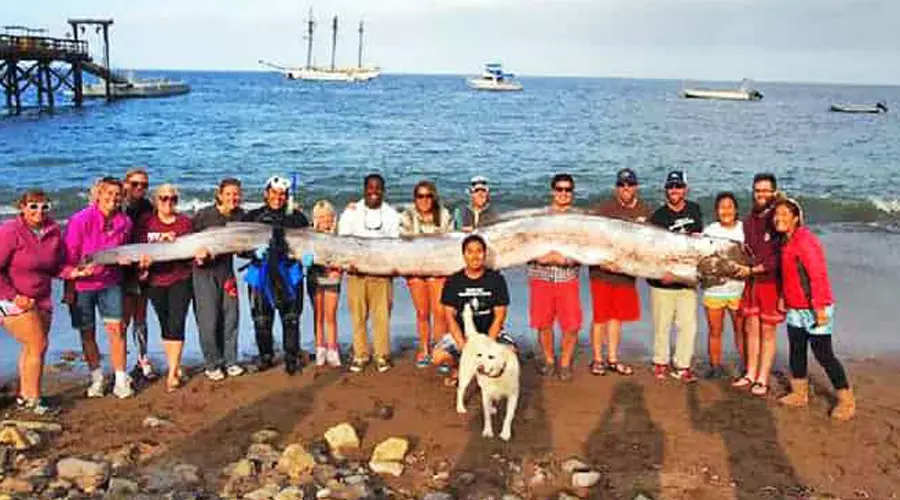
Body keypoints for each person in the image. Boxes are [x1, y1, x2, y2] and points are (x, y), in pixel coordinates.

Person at [772, 198, 855, 420]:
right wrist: (782, 297)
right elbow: (786, 275)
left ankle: (846, 401)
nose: (778, 217)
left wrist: (818, 308)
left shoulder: (805, 241)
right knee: (796, 349)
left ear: (796, 218)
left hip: (815, 306)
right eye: (776, 214)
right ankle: (799, 393)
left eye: (784, 214)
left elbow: (817, 276)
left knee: (823, 354)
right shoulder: (785, 241)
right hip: (795, 308)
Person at [0, 190, 77, 414]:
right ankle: (34, 399)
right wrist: (14, 296)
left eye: (44, 207)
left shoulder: (53, 231)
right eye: (33, 206)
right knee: (38, 344)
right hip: (11, 298)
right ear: (22, 208)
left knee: (33, 347)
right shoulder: (10, 231)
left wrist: (76, 273)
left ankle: (25, 396)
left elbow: (57, 267)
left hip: (41, 298)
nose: (38, 211)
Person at [63, 176, 135, 398]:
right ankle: (97, 378)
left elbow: (123, 251)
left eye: (117, 194)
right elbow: (69, 256)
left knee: (117, 330)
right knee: (87, 333)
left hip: (110, 282)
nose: (113, 198)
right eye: (109, 193)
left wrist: (126, 261)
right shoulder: (80, 219)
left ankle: (121, 380)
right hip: (82, 284)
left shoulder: (125, 222)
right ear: (98, 195)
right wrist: (70, 286)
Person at [242, 176, 310, 375]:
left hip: (289, 273)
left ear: (287, 196)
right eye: (274, 193)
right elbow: (239, 246)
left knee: (291, 318)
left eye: (282, 194)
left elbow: (308, 242)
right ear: (266, 194)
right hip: (260, 273)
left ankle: (291, 356)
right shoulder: (252, 217)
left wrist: (307, 256)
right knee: (261, 319)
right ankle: (265, 356)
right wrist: (251, 253)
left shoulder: (297, 217)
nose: (278, 198)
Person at [587, 168, 652, 376]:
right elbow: (591, 237)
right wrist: (603, 261)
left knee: (616, 317)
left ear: (636, 187)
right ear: (617, 188)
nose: (626, 188)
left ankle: (613, 359)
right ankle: (597, 360)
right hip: (602, 271)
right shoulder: (605, 209)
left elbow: (648, 244)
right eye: (622, 185)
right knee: (600, 317)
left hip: (626, 273)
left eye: (630, 184)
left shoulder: (645, 210)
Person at [338, 173, 401, 373]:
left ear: (383, 190)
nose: (374, 191)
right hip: (356, 273)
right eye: (370, 188)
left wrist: (391, 268)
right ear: (364, 189)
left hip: (382, 274)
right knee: (358, 316)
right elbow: (343, 241)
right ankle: (360, 354)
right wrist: (350, 264)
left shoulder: (391, 214)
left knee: (381, 316)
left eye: (378, 188)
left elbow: (395, 244)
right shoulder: (351, 212)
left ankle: (382, 355)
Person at [136, 184, 194, 392]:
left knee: (177, 322)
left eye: (172, 199)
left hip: (181, 278)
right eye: (163, 198)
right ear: (155, 200)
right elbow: (138, 250)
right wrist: (142, 265)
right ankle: (174, 365)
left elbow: (192, 252)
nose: (168, 202)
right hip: (155, 280)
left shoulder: (185, 223)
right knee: (165, 323)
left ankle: (172, 373)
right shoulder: (146, 223)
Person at [647, 170, 702, 384]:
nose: (674, 190)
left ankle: (683, 365)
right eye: (671, 187)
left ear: (685, 189)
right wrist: (663, 273)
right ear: (665, 190)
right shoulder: (657, 216)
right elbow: (652, 250)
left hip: (686, 279)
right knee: (662, 324)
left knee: (688, 325)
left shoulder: (695, 209)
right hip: (663, 280)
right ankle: (660, 361)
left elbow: (697, 244)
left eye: (678, 186)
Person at [434, 234, 511, 385]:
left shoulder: (496, 279)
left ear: (485, 254)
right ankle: (459, 368)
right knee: (438, 356)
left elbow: (500, 317)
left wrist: (488, 346)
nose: (475, 256)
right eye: (470, 252)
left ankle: (485, 370)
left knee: (511, 354)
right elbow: (449, 318)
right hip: (463, 334)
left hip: (490, 333)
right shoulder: (453, 281)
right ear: (464, 255)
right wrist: (463, 346)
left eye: (479, 251)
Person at [731, 173, 783, 396]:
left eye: (766, 190)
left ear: (774, 192)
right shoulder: (749, 219)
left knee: (767, 330)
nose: (761, 194)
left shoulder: (779, 216)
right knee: (751, 327)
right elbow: (747, 250)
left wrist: (754, 269)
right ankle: (750, 373)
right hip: (752, 281)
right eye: (758, 190)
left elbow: (778, 257)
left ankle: (763, 378)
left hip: (771, 281)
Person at [192, 178, 246, 381]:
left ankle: (230, 361)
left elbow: (244, 248)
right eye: (229, 194)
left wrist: (245, 251)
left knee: (231, 316)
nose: (233, 197)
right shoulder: (204, 215)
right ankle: (212, 363)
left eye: (237, 194)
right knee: (209, 320)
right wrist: (198, 256)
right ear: (220, 195)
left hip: (226, 271)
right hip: (204, 273)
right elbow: (187, 242)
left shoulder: (240, 216)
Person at [529, 174, 582, 381]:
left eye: (568, 190)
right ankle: (550, 360)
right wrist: (539, 257)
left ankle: (566, 363)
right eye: (559, 189)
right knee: (543, 323)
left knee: (572, 325)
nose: (563, 193)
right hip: (540, 275)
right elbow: (524, 242)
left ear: (572, 193)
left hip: (567, 277)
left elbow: (586, 247)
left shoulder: (580, 220)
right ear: (553, 191)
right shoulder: (538, 217)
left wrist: (567, 260)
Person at [400, 180, 453, 368]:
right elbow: (402, 243)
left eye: (428, 195)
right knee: (422, 313)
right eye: (420, 196)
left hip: (438, 269)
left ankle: (440, 350)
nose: (424, 200)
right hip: (416, 268)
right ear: (415, 199)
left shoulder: (444, 215)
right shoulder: (407, 215)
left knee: (440, 313)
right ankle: (423, 348)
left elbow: (451, 242)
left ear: (434, 197)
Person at [701, 192, 745, 379]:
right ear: (716, 211)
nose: (725, 211)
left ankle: (747, 365)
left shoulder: (744, 229)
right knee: (715, 331)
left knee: (741, 330)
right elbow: (702, 259)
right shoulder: (710, 230)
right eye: (721, 207)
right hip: (714, 289)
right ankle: (715, 365)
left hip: (739, 290)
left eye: (729, 206)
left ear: (735, 209)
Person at [122, 168, 156, 379]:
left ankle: (142, 358)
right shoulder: (118, 204)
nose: (139, 188)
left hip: (141, 263)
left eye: (144, 185)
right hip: (120, 266)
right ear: (126, 184)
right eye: (135, 184)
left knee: (140, 315)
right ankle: (121, 364)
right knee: (122, 317)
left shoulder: (147, 206)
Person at [307, 200, 342, 368]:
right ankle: (320, 347)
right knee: (318, 315)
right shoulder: (310, 234)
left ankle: (333, 348)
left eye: (328, 216)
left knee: (331, 315)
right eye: (321, 217)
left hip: (333, 278)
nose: (325, 220)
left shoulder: (338, 236)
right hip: (315, 277)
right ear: (315, 219)